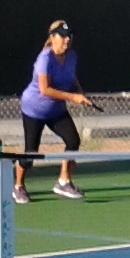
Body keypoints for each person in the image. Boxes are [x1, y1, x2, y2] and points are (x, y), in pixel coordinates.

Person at [15, 20, 94, 204]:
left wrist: (80, 93)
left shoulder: (72, 56)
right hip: (34, 109)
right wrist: (73, 98)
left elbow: (71, 78)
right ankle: (18, 186)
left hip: (56, 110)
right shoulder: (45, 58)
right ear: (52, 38)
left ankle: (63, 181)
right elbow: (45, 89)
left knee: (73, 140)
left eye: (69, 36)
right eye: (62, 36)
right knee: (31, 154)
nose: (67, 40)